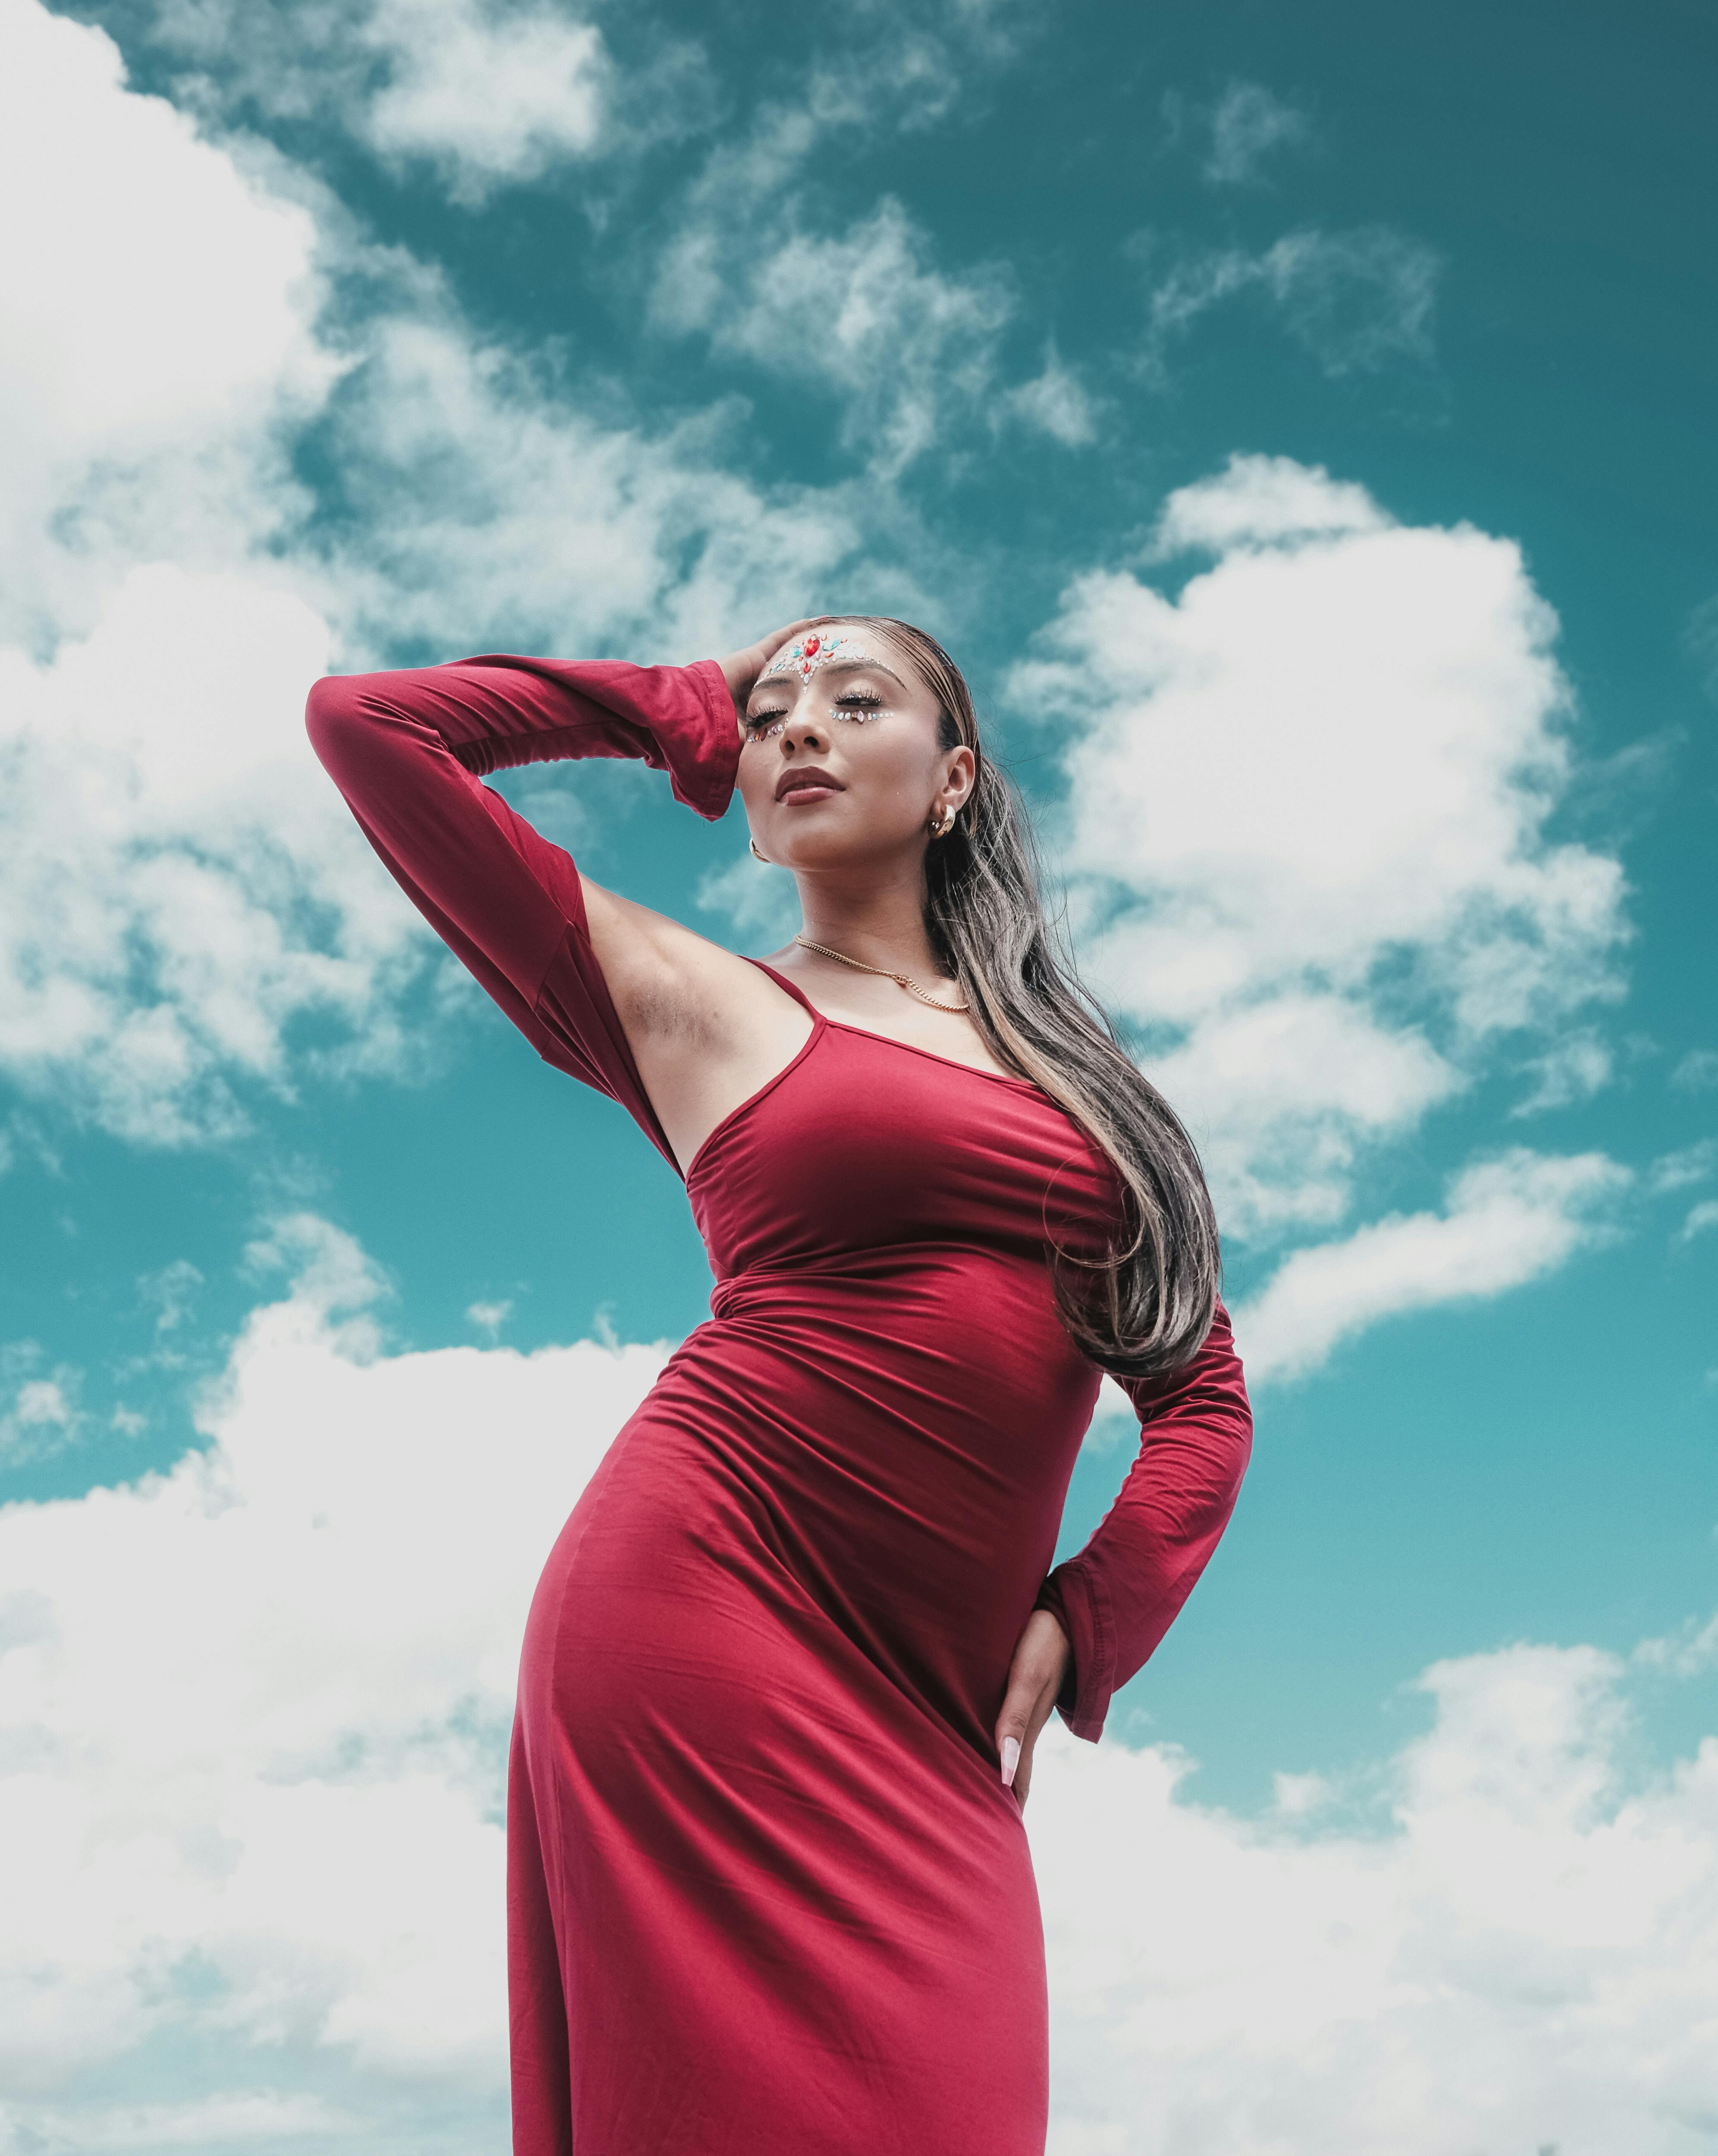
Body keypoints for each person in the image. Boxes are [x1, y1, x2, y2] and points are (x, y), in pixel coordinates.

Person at [304, 614, 1252, 2156]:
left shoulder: (1084, 1080)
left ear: (953, 783)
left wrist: (1096, 1613)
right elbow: (369, 724)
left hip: (928, 1700)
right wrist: (682, 705)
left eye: (853, 701)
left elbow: (1202, 1393)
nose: (799, 728)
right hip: (706, 1616)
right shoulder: (690, 999)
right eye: (771, 715)